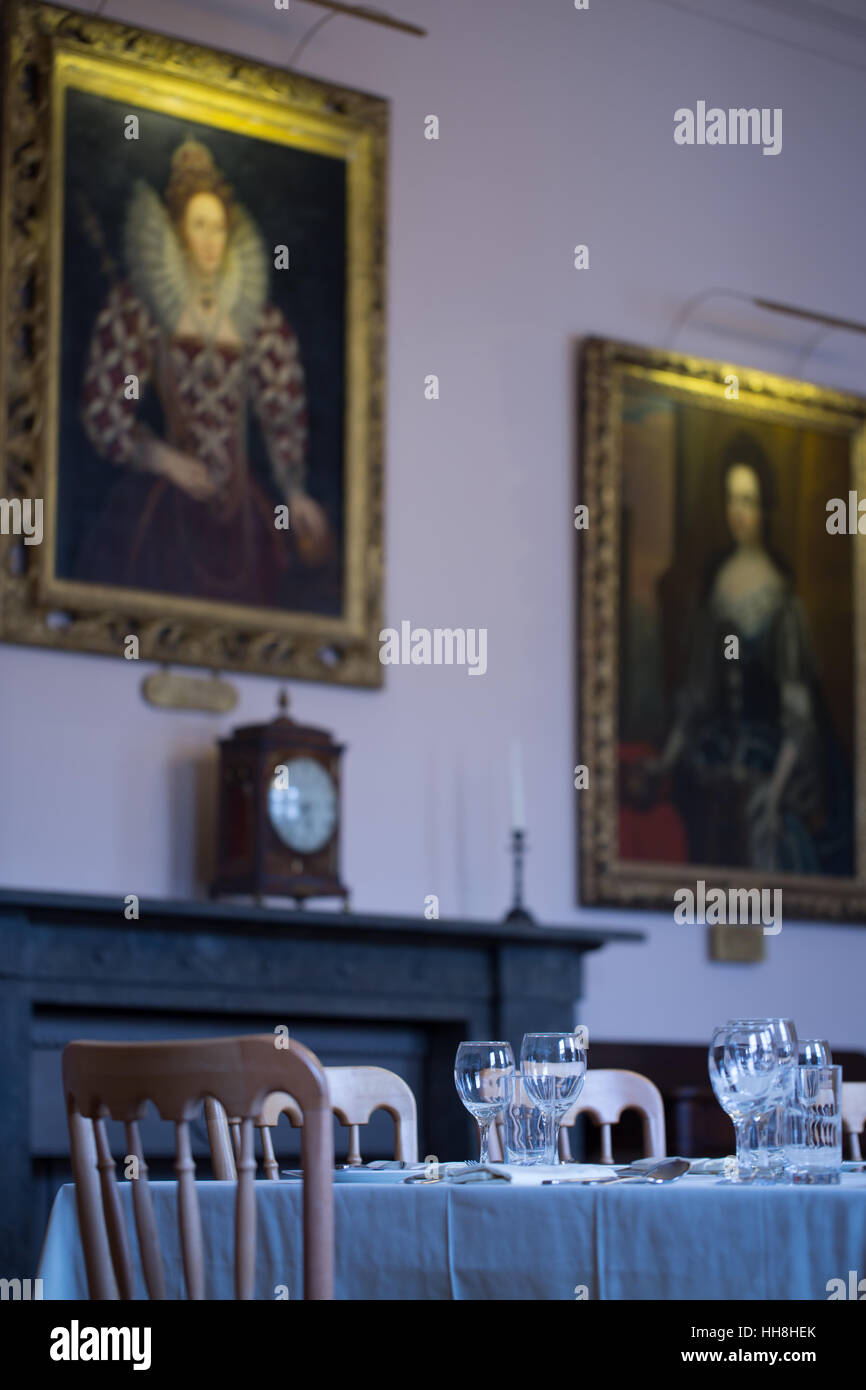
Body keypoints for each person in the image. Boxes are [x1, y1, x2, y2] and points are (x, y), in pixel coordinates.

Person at [77, 138, 330, 605]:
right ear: (178, 231)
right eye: (199, 225)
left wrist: (294, 493)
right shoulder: (139, 309)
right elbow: (104, 413)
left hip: (243, 513)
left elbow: (281, 415)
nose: (211, 240)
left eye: (218, 227)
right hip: (162, 502)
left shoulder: (261, 322)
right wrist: (166, 461)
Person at [640, 433, 849, 874]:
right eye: (732, 498)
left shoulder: (782, 600)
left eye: (749, 500)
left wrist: (773, 798)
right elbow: (697, 693)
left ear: (765, 508)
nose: (739, 511)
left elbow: (799, 716)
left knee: (763, 839)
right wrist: (666, 760)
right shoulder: (715, 588)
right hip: (716, 760)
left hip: (769, 766)